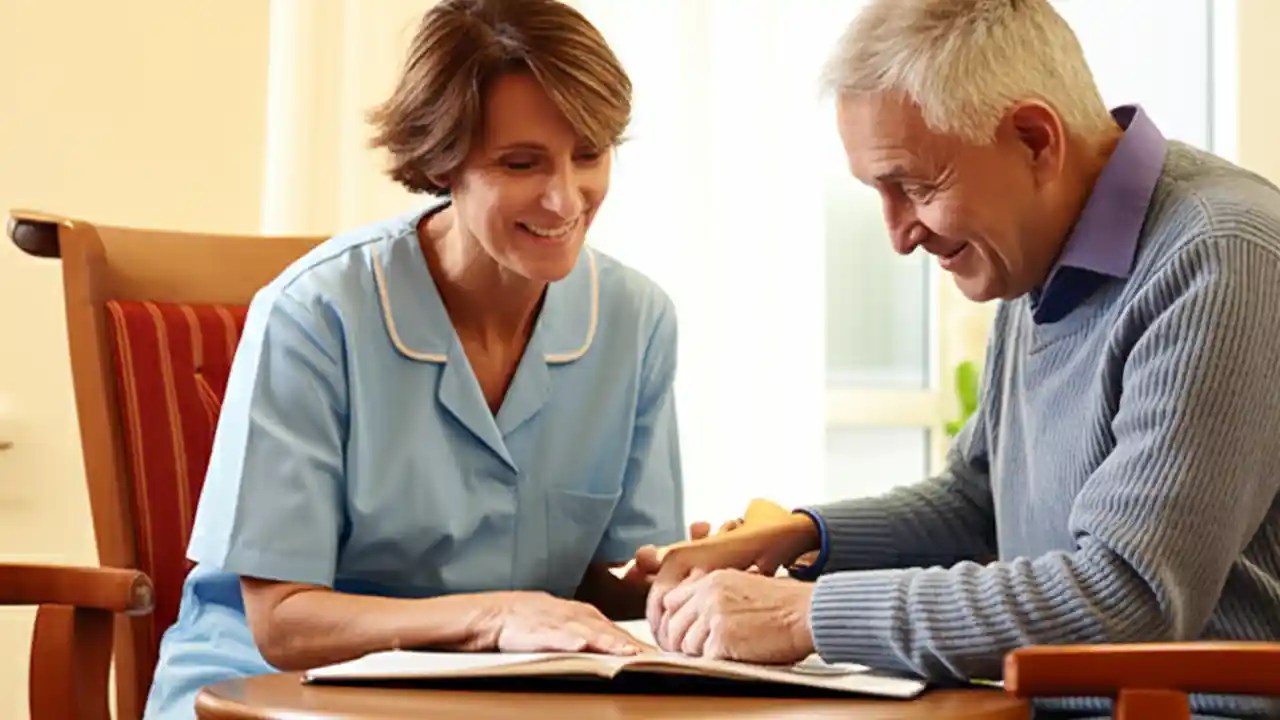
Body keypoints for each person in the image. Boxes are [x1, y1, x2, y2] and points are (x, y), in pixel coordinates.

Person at [640, 0, 1280, 717]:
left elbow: (1128, 593)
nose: (897, 235)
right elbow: (976, 503)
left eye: (913, 186)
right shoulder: (1040, 249)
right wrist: (800, 537)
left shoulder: (1221, 254)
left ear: (1035, 141)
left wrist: (802, 614)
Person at [144, 1, 697, 716]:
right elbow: (282, 621)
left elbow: (606, 585)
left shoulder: (636, 321)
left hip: (493, 692)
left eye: (588, 154)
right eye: (521, 163)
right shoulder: (315, 315)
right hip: (264, 689)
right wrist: (493, 618)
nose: (565, 199)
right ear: (444, 159)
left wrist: (694, 581)